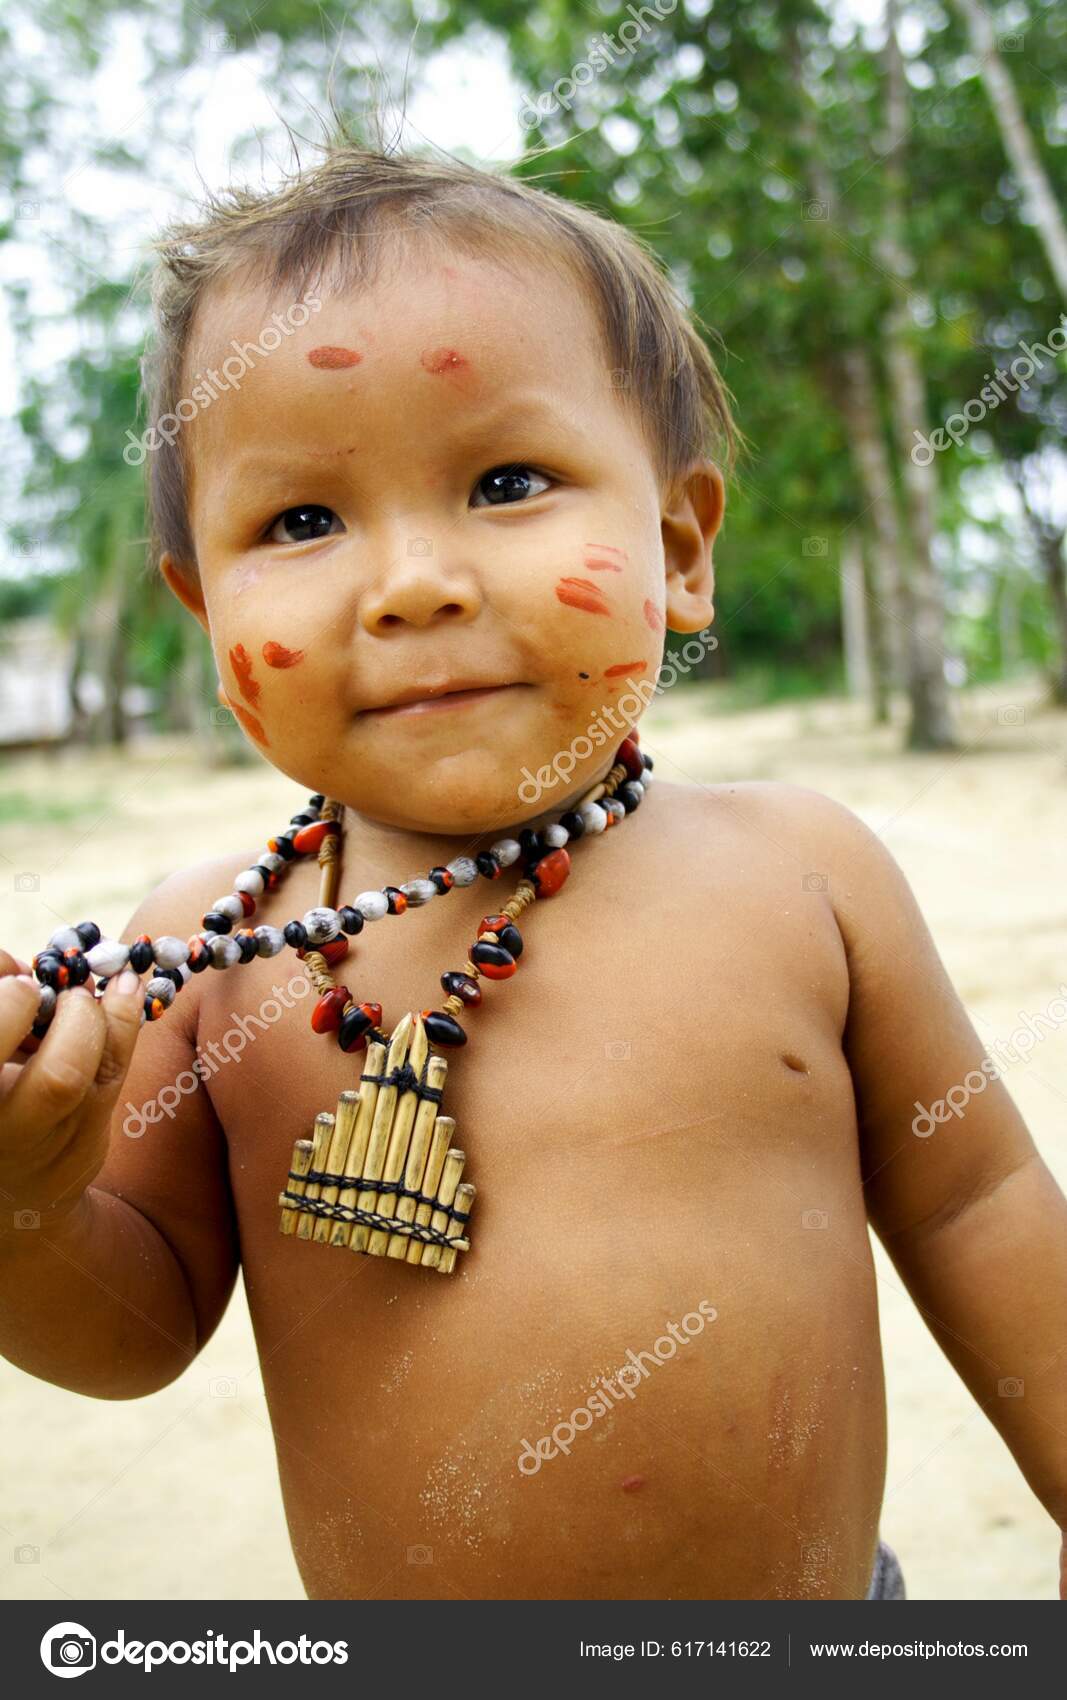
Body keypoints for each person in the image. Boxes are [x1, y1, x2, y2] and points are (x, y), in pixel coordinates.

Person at [1, 144, 1064, 1602]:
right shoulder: (202, 955)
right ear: (202, 604)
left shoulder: (803, 871)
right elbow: (137, 1329)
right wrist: (26, 1207)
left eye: (507, 481)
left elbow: (976, 1203)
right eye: (300, 522)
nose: (414, 583)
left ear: (680, 550)